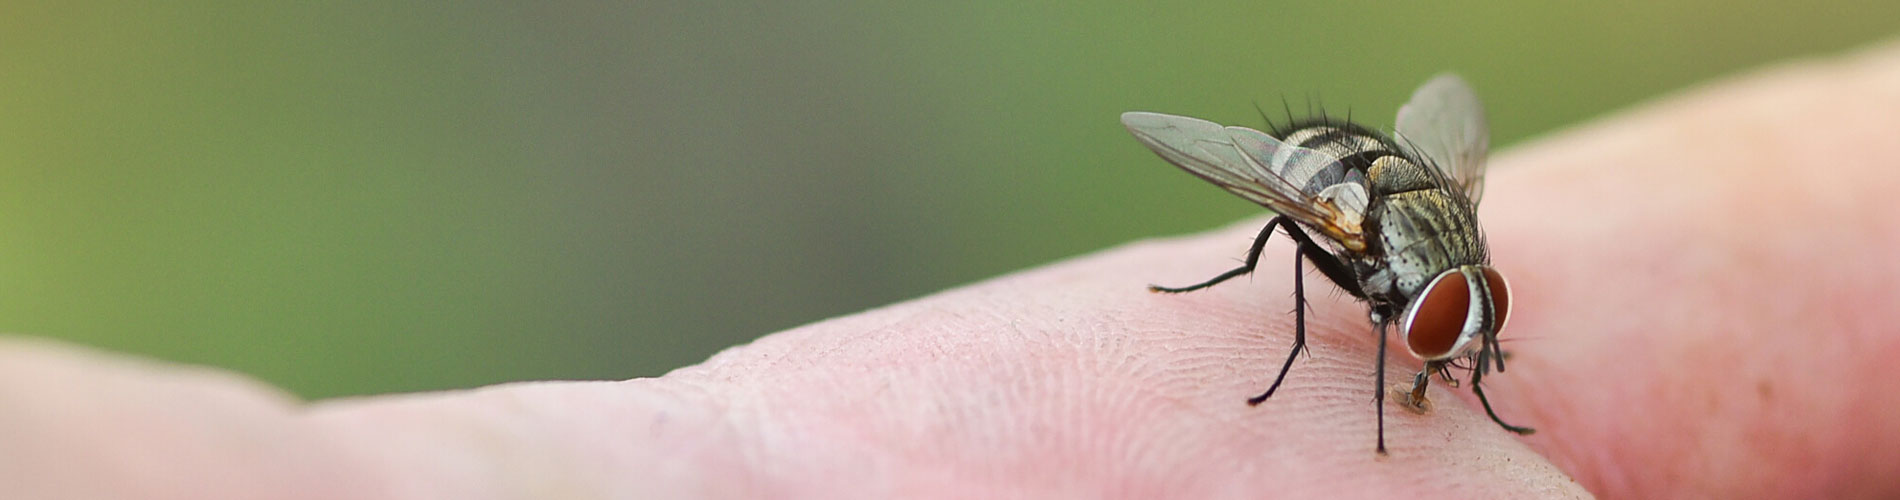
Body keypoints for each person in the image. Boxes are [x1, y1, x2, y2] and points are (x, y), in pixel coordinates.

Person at [7, 43, 1900, 499]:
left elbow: (1448, 198)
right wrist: (1268, 333)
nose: (1451, 341)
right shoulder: (1328, 235)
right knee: (1256, 268)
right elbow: (1309, 197)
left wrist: (1449, 328)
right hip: (1335, 173)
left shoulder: (1449, 259)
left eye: (1453, 329)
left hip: (1389, 181)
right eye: (1441, 323)